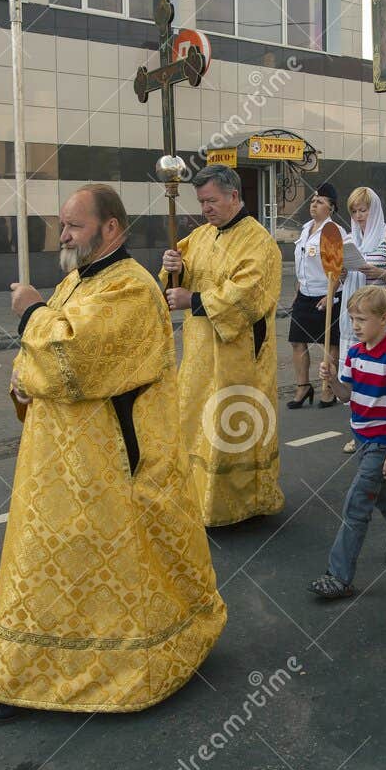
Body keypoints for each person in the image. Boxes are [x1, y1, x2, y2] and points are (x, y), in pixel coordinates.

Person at [0, 185, 226, 723]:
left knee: (108, 573)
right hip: (57, 465)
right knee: (50, 566)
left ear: (110, 228)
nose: (62, 235)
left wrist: (30, 315)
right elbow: (46, 361)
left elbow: (75, 360)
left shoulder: (133, 289)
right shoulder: (76, 280)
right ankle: (33, 672)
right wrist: (23, 379)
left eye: (72, 225)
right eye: (61, 225)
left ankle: (122, 667)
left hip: (111, 466)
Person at [160, 165, 284, 526]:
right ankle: (197, 499)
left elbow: (249, 295)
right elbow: (176, 282)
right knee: (197, 422)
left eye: (211, 200)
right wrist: (173, 267)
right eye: (201, 202)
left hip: (238, 355)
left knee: (231, 426)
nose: (205, 209)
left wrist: (193, 300)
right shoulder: (199, 237)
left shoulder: (259, 241)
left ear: (233, 195)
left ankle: (242, 503)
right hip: (200, 351)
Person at [308, 287, 386, 601]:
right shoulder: (354, 354)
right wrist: (332, 381)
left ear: (384, 319)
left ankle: (339, 576)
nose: (356, 326)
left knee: (357, 504)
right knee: (382, 495)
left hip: (381, 443)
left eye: (362, 319)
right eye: (353, 319)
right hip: (361, 437)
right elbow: (347, 397)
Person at [337, 187, 386, 452]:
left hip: (383, 318)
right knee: (360, 377)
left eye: (364, 209)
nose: (359, 216)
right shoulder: (349, 239)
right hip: (356, 317)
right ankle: (360, 432)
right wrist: (339, 274)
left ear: (375, 209)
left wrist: (381, 273)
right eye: (354, 211)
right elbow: (342, 278)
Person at [289, 183, 343, 409]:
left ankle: (328, 388)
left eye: (320, 202)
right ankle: (303, 387)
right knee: (297, 341)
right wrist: (297, 288)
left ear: (330, 208)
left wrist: (330, 296)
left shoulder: (334, 232)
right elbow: (301, 262)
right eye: (313, 201)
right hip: (305, 294)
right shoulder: (305, 229)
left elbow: (339, 267)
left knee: (329, 345)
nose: (314, 205)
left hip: (326, 295)